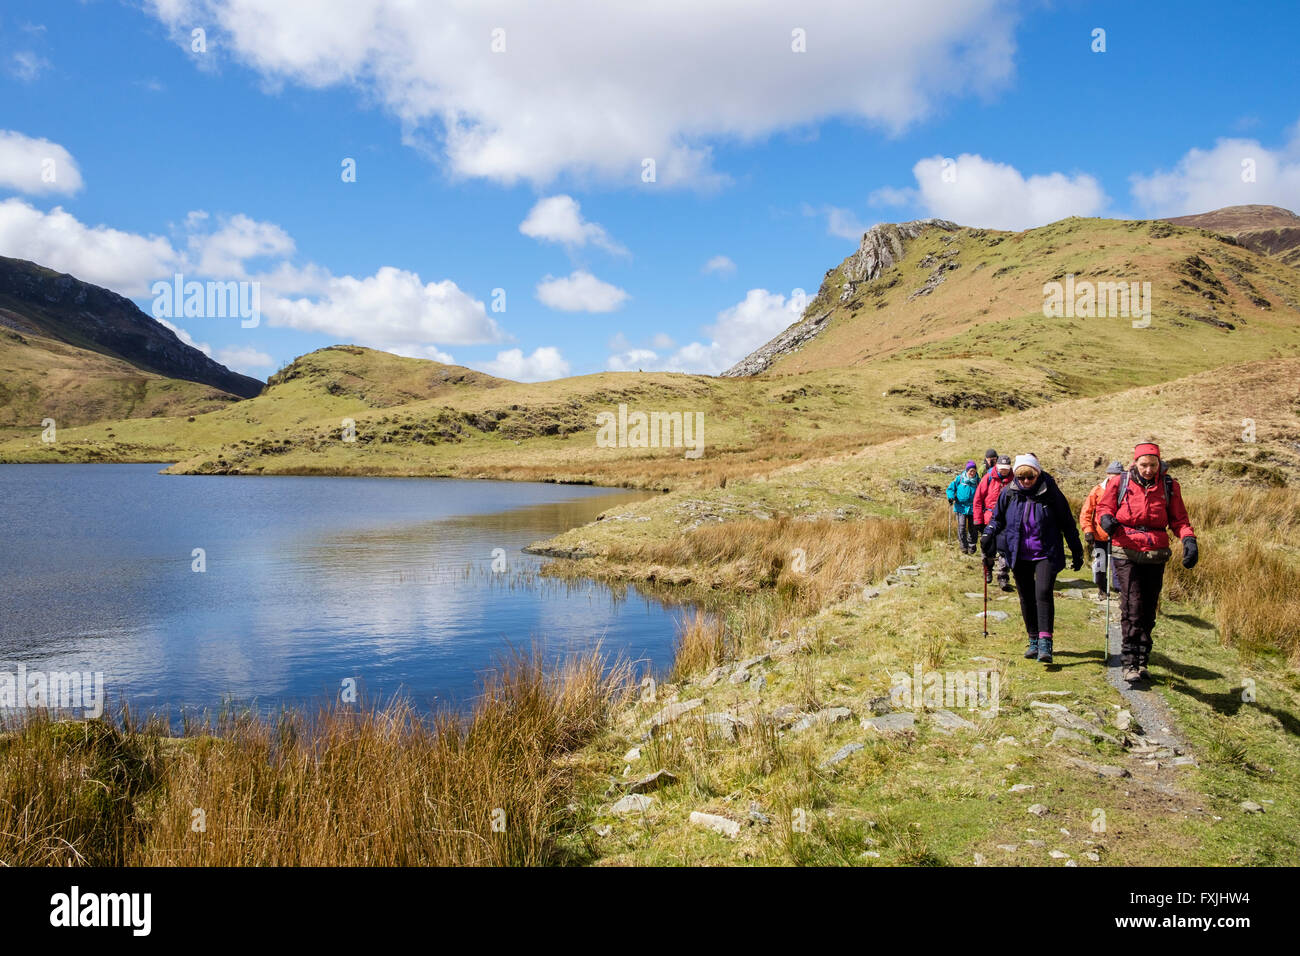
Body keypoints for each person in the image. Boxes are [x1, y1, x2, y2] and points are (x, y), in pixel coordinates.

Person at [1096, 442, 1198, 683]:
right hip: (1126, 550)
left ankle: (1142, 660)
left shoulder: (1169, 486)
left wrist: (1189, 539)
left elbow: (1179, 519)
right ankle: (1129, 662)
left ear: (1159, 463)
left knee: (1148, 609)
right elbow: (1104, 507)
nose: (1149, 469)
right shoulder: (1119, 483)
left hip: (1156, 553)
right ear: (1135, 463)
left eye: (1153, 465)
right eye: (1144, 465)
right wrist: (1106, 519)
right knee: (1132, 605)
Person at [980, 454, 1083, 664]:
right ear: (1016, 476)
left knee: (1043, 592)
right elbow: (997, 518)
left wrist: (1077, 549)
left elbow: (1067, 522)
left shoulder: (1050, 492)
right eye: (1022, 477)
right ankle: (1033, 640)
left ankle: (1046, 642)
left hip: (1045, 552)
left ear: (1038, 473)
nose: (1026, 481)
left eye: (1031, 477)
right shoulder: (1009, 493)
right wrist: (988, 532)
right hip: (1018, 552)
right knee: (1026, 596)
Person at [1080, 461, 1125, 600]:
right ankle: (1102, 589)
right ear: (1107, 474)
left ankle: (1120, 593)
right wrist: (1088, 531)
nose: (1115, 479)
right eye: (1113, 475)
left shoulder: (1126, 490)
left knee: (1119, 568)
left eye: (1118, 476)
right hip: (1099, 537)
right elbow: (1086, 512)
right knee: (1100, 566)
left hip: (1120, 538)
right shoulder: (1098, 490)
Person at [973, 454, 1015, 591]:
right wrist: (978, 520)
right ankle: (988, 569)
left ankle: (1003, 576)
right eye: (1001, 468)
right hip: (988, 518)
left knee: (1005, 549)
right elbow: (978, 499)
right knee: (988, 548)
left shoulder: (1014, 480)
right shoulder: (988, 478)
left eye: (1006, 468)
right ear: (997, 467)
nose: (1003, 471)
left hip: (1007, 520)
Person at [946, 461, 980, 554]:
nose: (972, 473)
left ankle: (972, 545)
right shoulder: (960, 479)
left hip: (973, 508)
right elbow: (950, 488)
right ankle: (963, 546)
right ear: (967, 470)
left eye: (974, 471)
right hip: (960, 507)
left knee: (973, 527)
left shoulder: (978, 481)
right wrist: (950, 497)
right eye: (970, 471)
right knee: (961, 527)